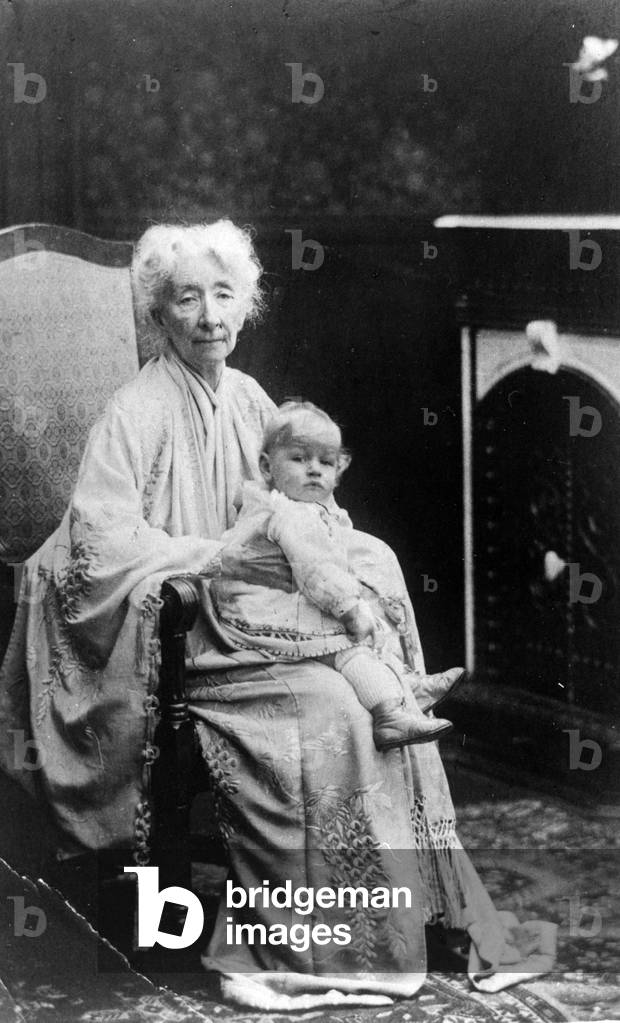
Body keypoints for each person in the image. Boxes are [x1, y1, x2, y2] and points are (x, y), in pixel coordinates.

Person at [0, 219, 556, 1010]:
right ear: (159, 315)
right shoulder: (134, 411)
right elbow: (99, 545)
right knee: (328, 706)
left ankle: (438, 918)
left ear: (244, 306)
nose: (207, 316)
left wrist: (327, 554)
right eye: (186, 299)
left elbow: (302, 504)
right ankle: (288, 951)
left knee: (376, 652)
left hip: (254, 616)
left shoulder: (252, 399)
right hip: (170, 628)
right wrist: (215, 557)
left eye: (223, 295)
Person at [204, 400, 464, 749]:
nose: (314, 470)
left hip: (282, 598)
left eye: (325, 463)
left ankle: (408, 686)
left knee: (369, 627)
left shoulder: (302, 509)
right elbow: (317, 570)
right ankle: (387, 714)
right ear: (267, 467)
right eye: (299, 459)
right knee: (349, 642)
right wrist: (348, 608)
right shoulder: (289, 514)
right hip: (261, 609)